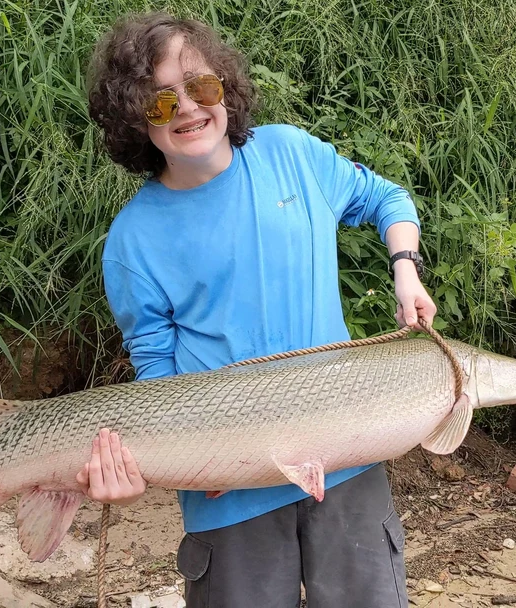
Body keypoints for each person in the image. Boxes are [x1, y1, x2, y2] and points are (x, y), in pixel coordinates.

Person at [77, 11, 437, 608]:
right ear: (134, 119)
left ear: (226, 88)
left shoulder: (292, 154)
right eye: (160, 101)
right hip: (229, 498)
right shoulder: (131, 241)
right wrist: (149, 466)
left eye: (201, 87)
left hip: (347, 463)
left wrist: (405, 269)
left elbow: (386, 199)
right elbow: (158, 382)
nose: (188, 109)